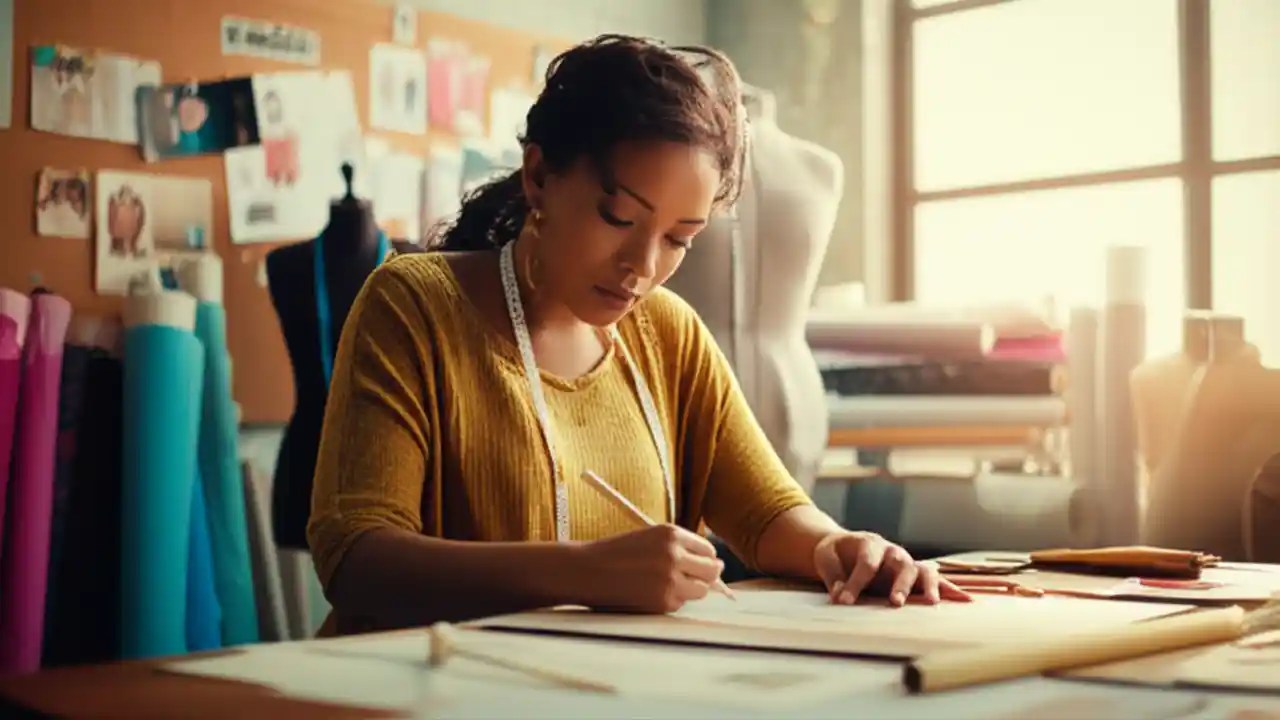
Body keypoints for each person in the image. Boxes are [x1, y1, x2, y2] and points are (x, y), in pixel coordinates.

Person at [307, 34, 969, 636]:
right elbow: (355, 556)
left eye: (681, 238)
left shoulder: (668, 334)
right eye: (618, 217)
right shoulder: (414, 305)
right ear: (539, 176)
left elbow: (767, 514)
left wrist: (837, 547)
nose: (643, 269)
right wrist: (583, 572)